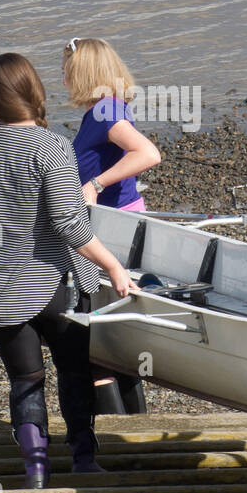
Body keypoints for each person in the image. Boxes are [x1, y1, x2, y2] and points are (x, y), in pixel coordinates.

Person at [0, 53, 132, 488]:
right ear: (36, 92)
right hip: (50, 285)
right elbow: (70, 224)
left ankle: (36, 471)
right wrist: (114, 266)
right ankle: (82, 460)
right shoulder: (51, 146)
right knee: (74, 369)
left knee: (25, 379)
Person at [62, 36, 161, 414]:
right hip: (119, 222)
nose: (63, 78)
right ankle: (134, 424)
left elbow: (148, 153)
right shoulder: (104, 110)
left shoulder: (105, 112)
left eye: (66, 70)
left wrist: (95, 183)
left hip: (114, 229)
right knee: (112, 337)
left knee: (98, 341)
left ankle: (116, 434)